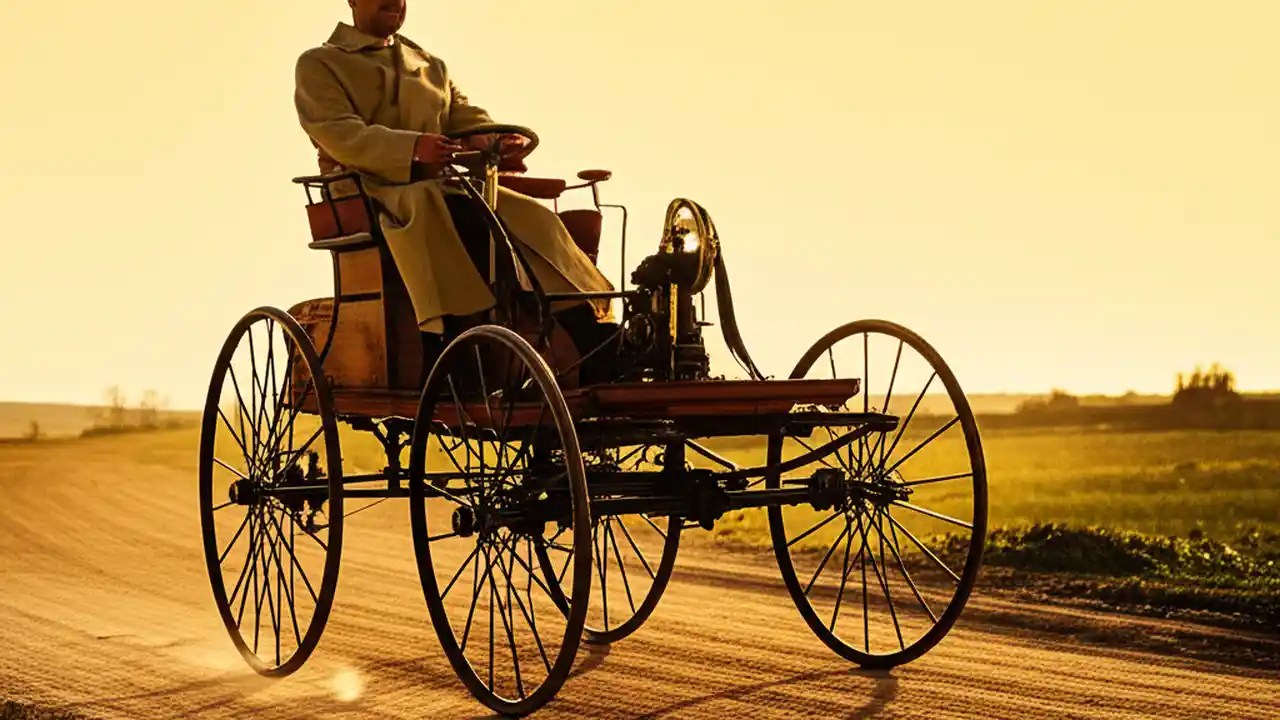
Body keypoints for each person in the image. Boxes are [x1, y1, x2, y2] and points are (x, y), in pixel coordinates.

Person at [294, 0, 615, 349]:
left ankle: (590, 332)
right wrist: (414, 148)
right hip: (370, 191)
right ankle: (449, 344)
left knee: (534, 218)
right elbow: (340, 133)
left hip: (444, 188)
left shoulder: (431, 67)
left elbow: (465, 118)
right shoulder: (320, 63)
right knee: (441, 209)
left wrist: (495, 140)